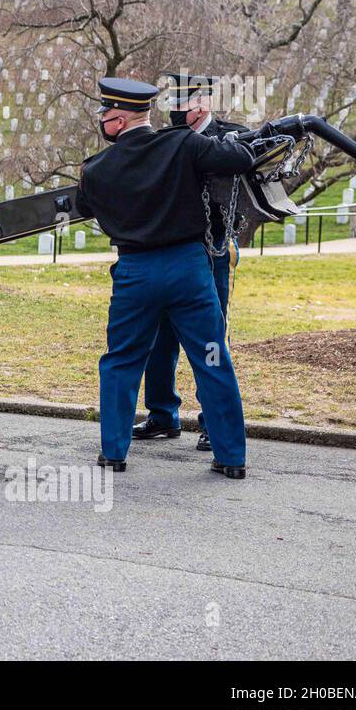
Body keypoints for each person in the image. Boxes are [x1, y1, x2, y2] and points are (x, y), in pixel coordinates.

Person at [76, 77, 254, 479]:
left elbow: (86, 205)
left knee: (121, 361)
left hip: (135, 273)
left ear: (118, 122)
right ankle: (230, 456)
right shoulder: (183, 143)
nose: (102, 120)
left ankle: (113, 453)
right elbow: (239, 159)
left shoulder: (95, 169)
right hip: (188, 269)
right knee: (211, 357)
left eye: (105, 114)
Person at [133, 73, 250, 451]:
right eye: (171, 105)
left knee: (211, 336)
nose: (173, 113)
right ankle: (162, 414)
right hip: (171, 246)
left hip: (213, 245)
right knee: (160, 334)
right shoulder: (164, 140)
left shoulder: (231, 135)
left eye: (180, 105)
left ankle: (212, 421)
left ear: (202, 104)